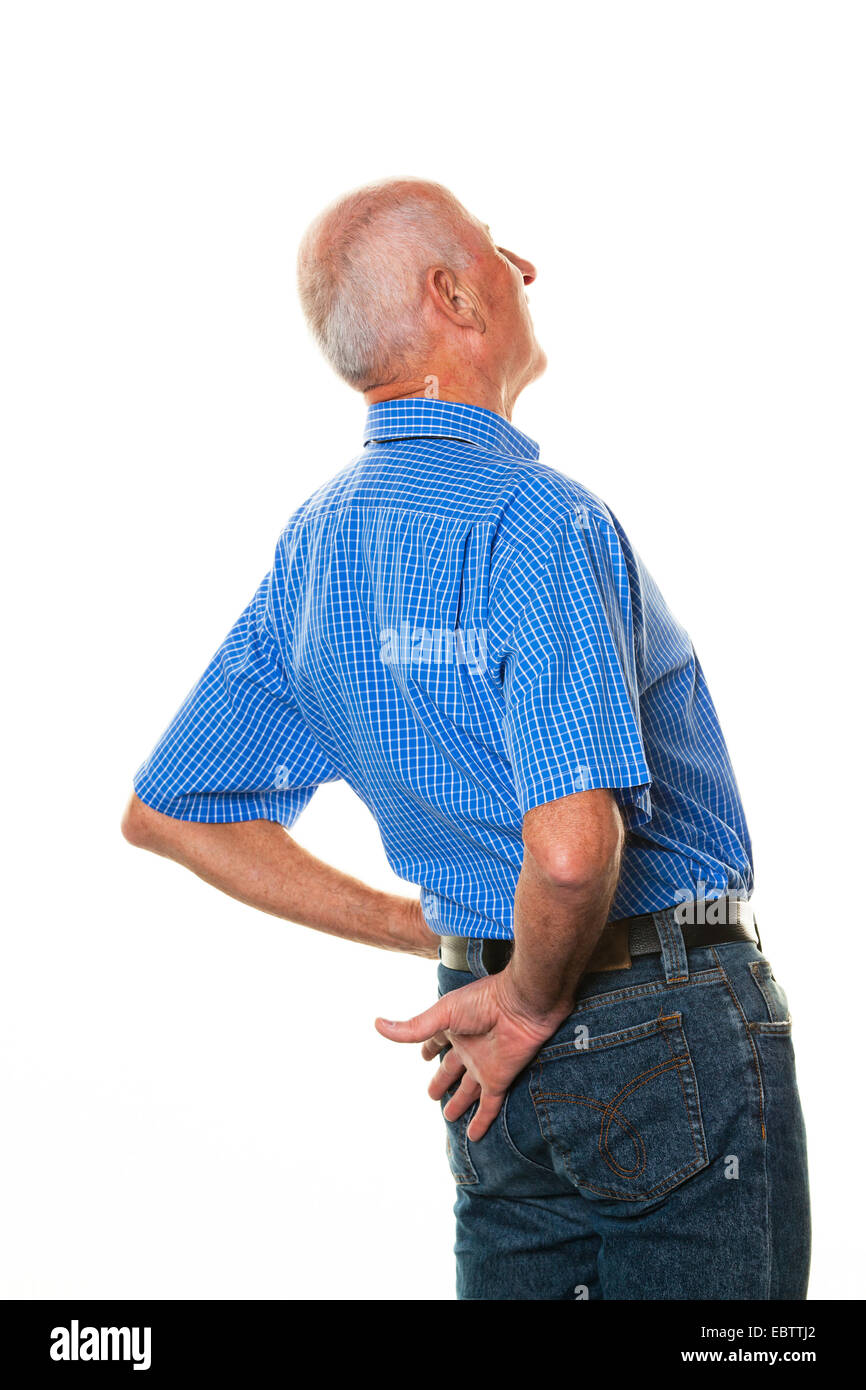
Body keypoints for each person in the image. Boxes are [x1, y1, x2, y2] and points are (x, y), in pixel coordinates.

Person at [122, 178, 810, 1300]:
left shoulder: (316, 546)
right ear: (452, 294)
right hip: (646, 1023)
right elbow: (576, 849)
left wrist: (447, 937)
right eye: (496, 250)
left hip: (483, 1051)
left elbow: (173, 808)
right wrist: (534, 997)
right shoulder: (536, 518)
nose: (522, 269)